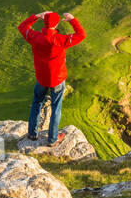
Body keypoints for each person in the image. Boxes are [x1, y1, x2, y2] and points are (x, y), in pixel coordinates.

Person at [18, 10, 86, 145]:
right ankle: (53, 138)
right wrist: (72, 20)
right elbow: (81, 35)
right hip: (57, 79)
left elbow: (22, 27)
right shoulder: (61, 40)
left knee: (37, 102)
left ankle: (32, 134)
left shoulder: (35, 37)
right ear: (56, 25)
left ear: (44, 22)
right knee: (56, 107)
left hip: (41, 78)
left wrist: (36, 16)